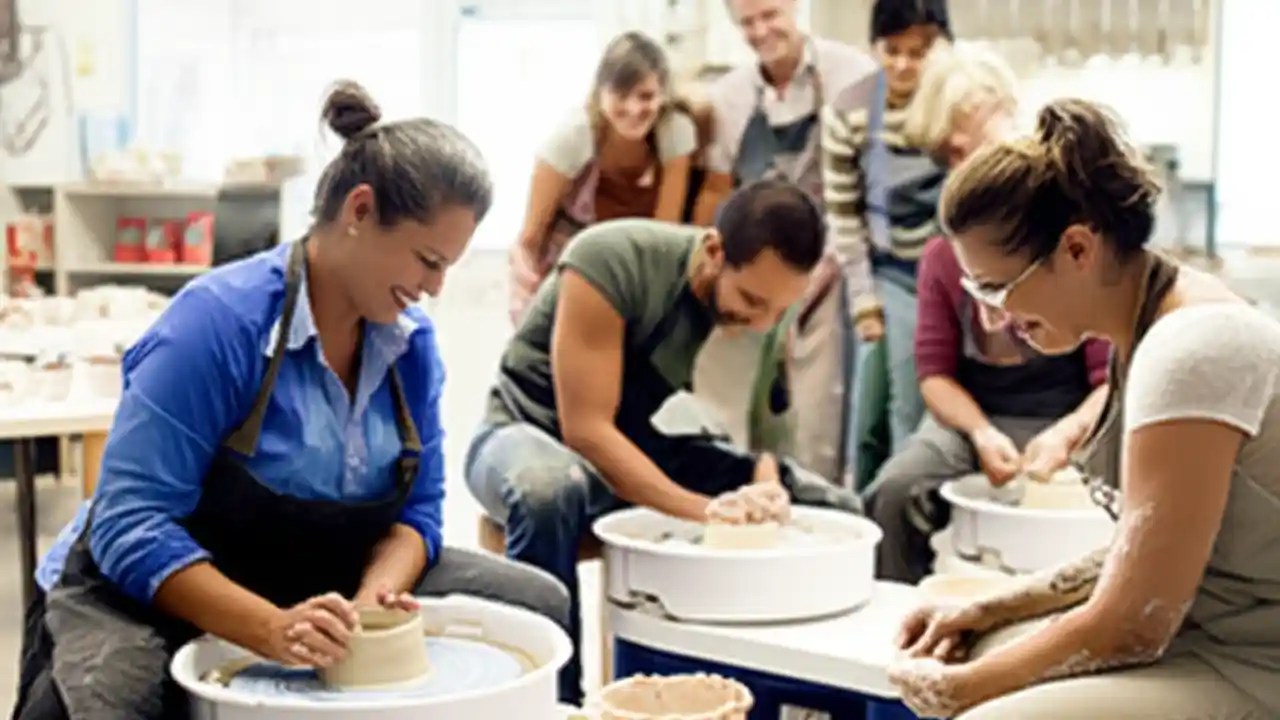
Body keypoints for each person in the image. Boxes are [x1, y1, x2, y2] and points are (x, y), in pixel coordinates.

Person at [12, 81, 571, 720]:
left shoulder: (411, 348)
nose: (435, 288)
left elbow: (419, 514)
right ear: (359, 211)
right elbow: (129, 524)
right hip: (156, 583)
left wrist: (370, 604)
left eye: (447, 267)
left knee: (537, 603)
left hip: (317, 578)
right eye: (426, 260)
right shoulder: (217, 324)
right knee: (97, 707)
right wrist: (270, 629)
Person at [887, 99, 1280, 719]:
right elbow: (1148, 554)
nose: (991, 318)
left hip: (1259, 662)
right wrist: (992, 607)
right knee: (975, 645)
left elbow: (1135, 622)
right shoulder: (1148, 329)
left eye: (996, 288)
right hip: (1207, 631)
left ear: (1076, 249)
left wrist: (963, 694)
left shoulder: (1194, 347)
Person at [465, 180, 863, 705]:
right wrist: (705, 511)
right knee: (550, 490)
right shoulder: (611, 259)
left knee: (833, 505)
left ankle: (806, 694)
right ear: (715, 251)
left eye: (778, 310)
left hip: (634, 441)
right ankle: (558, 705)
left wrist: (764, 485)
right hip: (526, 435)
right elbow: (585, 431)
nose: (762, 322)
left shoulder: (754, 301)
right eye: (752, 301)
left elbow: (753, 432)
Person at [863, 43, 1111, 583]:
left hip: (1073, 417)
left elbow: (1113, 380)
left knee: (1111, 503)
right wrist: (980, 433)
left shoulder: (1070, 241)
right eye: (950, 155)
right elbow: (935, 376)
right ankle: (901, 618)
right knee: (895, 491)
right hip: (979, 417)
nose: (963, 164)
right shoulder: (941, 258)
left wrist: (1067, 434)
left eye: (973, 146)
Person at [688, 0, 878, 483]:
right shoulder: (730, 95)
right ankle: (737, 496)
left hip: (830, 263)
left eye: (770, 15)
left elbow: (862, 184)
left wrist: (818, 273)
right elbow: (717, 190)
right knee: (733, 406)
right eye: (747, 23)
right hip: (751, 267)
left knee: (816, 414)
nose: (760, 30)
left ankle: (815, 508)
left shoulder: (851, 75)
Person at [821, 0, 952, 461]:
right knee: (869, 404)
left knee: (911, 404)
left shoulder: (958, 105)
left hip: (950, 277)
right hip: (886, 272)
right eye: (891, 50)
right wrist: (864, 302)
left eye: (918, 52)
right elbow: (844, 216)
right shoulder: (849, 111)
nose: (903, 64)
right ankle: (869, 510)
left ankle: (904, 516)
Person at [509, 31, 699, 325]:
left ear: (663, 95)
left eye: (646, 96)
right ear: (600, 94)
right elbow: (529, 240)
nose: (634, 109)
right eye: (621, 96)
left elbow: (665, 238)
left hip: (634, 278)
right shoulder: (574, 136)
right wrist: (528, 296)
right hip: (568, 276)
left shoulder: (674, 132)